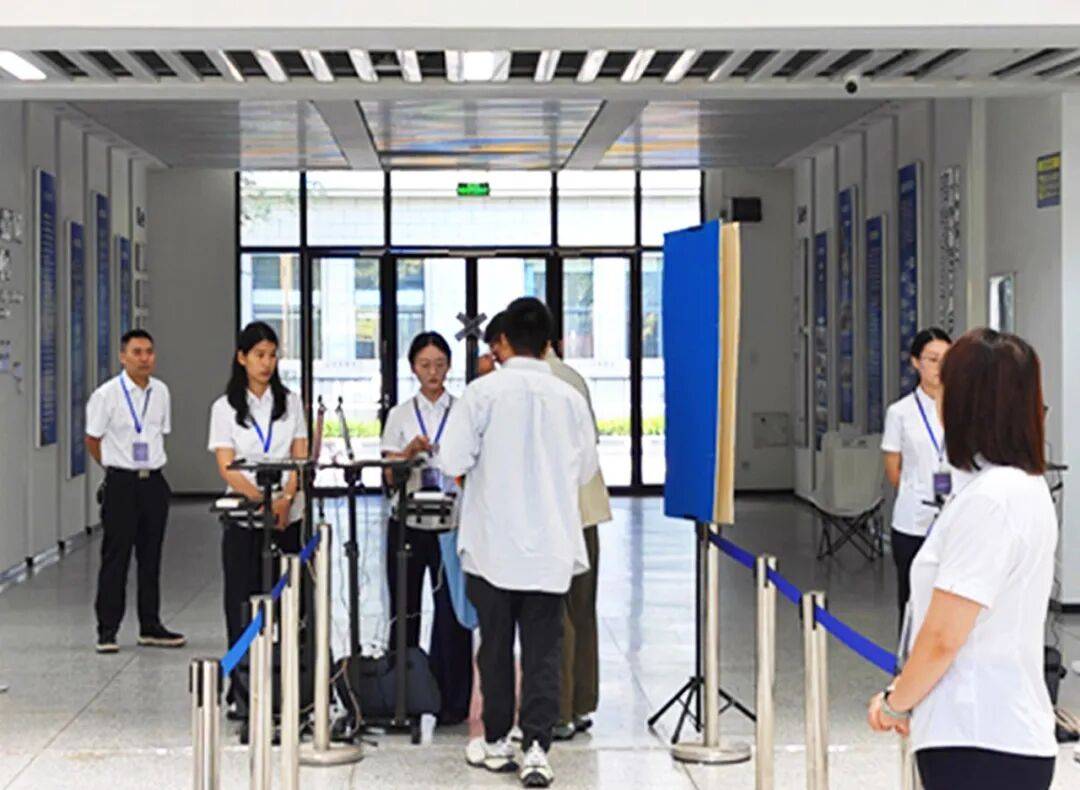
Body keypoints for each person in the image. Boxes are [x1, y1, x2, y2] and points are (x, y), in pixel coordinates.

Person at [867, 328, 1057, 790]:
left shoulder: (992, 499)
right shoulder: (1015, 485)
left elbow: (944, 635)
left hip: (980, 739)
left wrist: (895, 702)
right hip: (991, 731)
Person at [438, 298, 599, 788]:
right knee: (543, 650)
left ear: (503, 340)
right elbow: (587, 470)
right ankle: (536, 749)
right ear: (549, 343)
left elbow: (452, 461)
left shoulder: (481, 394)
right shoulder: (570, 397)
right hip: (551, 547)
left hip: (492, 546)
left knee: (494, 647)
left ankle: (494, 742)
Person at [207, 321, 307, 716]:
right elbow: (226, 466)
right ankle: (243, 691)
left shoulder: (292, 403)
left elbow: (299, 458)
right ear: (242, 358)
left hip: (287, 518)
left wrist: (285, 499)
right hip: (245, 519)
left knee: (290, 604)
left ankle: (290, 688)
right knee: (241, 604)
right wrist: (261, 500)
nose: (267, 363)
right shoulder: (225, 408)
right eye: (259, 355)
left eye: (272, 355)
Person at [380, 331, 473, 726]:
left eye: (439, 364)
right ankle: (402, 695)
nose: (433, 372)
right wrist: (409, 453)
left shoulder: (465, 410)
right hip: (408, 521)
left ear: (449, 366)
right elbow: (388, 474)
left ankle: (453, 702)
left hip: (452, 522)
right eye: (424, 365)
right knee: (404, 609)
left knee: (452, 611)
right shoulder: (400, 415)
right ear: (413, 369)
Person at [533, 306, 612, 741]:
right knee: (582, 609)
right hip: (587, 509)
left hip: (553, 511)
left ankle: (558, 708)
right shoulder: (574, 378)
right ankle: (581, 702)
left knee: (553, 611)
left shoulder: (533, 383)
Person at [86, 329, 184, 654]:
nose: (144, 359)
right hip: (121, 484)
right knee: (116, 557)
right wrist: (114, 467)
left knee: (151, 557)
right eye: (137, 352)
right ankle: (107, 629)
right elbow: (93, 439)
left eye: (149, 352)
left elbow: (160, 433)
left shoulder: (161, 392)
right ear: (122, 356)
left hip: (153, 482)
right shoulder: (107, 395)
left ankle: (150, 625)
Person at [880, 328, 955, 626]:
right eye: (932, 359)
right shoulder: (900, 412)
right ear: (915, 362)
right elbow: (893, 469)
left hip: (954, 517)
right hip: (913, 519)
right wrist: (917, 492)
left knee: (949, 597)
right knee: (911, 598)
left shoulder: (962, 409)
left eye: (946, 360)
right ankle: (909, 651)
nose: (939, 367)